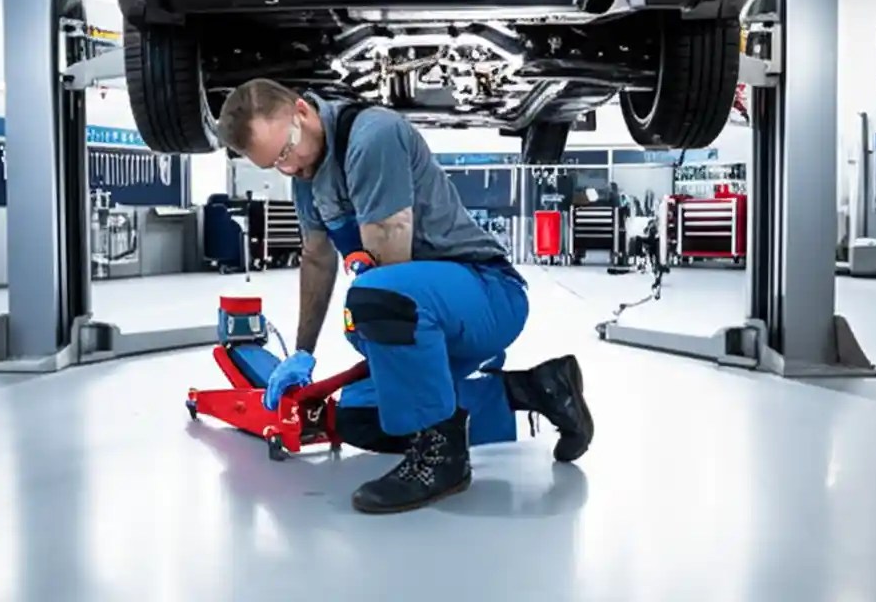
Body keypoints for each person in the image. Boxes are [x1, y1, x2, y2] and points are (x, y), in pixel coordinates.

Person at [215, 79, 593, 514]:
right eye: (272, 165)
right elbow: (317, 260)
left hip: (486, 293)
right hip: (419, 312)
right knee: (356, 417)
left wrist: (373, 344)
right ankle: (538, 390)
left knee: (373, 300)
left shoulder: (372, 137)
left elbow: (388, 274)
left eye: (285, 152)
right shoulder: (307, 176)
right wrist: (301, 354)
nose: (287, 169)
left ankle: (442, 458)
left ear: (302, 111)